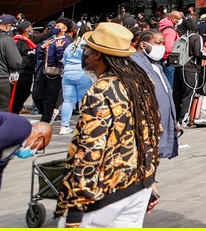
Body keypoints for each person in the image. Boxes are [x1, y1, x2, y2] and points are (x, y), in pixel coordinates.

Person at [55, 23, 162, 227]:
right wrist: (149, 179)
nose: (84, 53)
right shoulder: (141, 83)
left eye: (86, 48)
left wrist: (76, 208)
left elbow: (90, 150)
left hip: (105, 193)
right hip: (139, 186)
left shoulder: (100, 90)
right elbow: (153, 133)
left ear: (96, 54)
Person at [0, 112, 51, 227]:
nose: (33, 153)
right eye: (39, 148)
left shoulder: (10, 149)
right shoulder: (23, 127)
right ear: (39, 138)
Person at [130, 29, 179, 162]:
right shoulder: (135, 64)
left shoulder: (155, 66)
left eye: (163, 43)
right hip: (146, 128)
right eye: (158, 43)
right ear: (143, 44)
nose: (162, 47)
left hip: (158, 127)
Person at [31, 20, 72, 125]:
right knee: (36, 95)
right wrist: (42, 48)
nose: (56, 28)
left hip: (55, 72)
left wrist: (59, 49)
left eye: (58, 26)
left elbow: (63, 59)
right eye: (56, 26)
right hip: (43, 69)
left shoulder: (66, 42)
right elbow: (40, 55)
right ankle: (46, 114)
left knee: (50, 98)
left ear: (64, 29)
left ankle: (45, 119)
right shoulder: (51, 39)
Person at [57, 31, 94, 136]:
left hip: (67, 74)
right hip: (82, 73)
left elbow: (64, 60)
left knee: (68, 101)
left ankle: (64, 127)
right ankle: (84, 125)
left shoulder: (70, 45)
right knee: (83, 100)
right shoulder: (87, 46)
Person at [9, 20, 37, 115]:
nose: (32, 29)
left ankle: (16, 113)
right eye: (30, 27)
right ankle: (11, 115)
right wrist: (14, 71)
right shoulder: (17, 42)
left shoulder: (30, 40)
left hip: (29, 73)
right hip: (20, 74)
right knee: (16, 96)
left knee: (25, 94)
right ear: (25, 29)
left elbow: (43, 37)